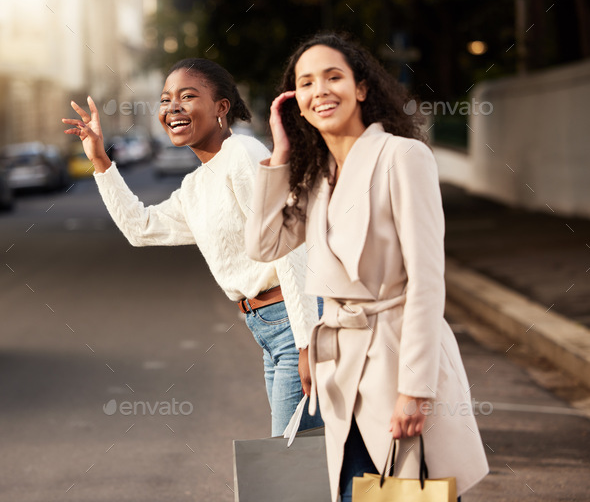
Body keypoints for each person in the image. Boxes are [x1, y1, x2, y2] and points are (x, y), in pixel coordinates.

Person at [245, 33, 489, 502]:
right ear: (296, 102)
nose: (321, 90)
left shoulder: (402, 157)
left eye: (333, 76)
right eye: (307, 83)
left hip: (394, 362)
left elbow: (426, 281)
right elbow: (263, 243)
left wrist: (414, 390)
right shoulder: (316, 177)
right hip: (338, 373)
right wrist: (278, 158)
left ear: (361, 88)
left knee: (412, 490)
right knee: (357, 490)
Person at [62, 58, 322, 437]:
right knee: (301, 461)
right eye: (166, 100)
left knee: (292, 461)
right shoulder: (196, 187)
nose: (173, 108)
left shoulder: (243, 155)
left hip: (293, 323)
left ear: (221, 107)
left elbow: (290, 244)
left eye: (188, 96)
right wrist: (100, 159)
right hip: (268, 329)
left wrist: (306, 343)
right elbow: (141, 228)